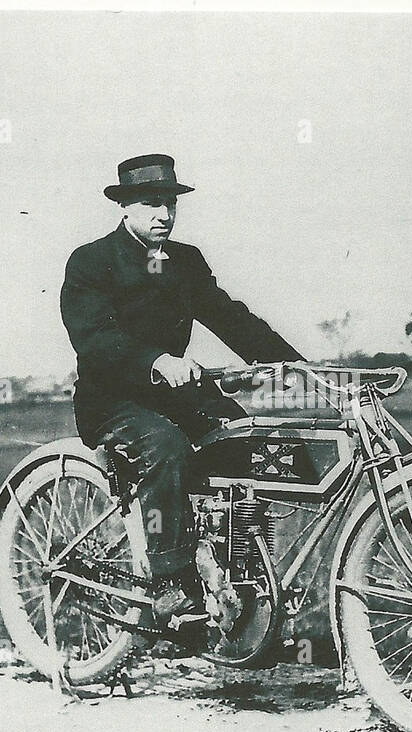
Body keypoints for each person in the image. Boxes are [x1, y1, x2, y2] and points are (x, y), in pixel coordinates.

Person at [60, 154, 303, 638]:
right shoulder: (91, 261)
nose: (164, 215)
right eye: (152, 203)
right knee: (166, 448)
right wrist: (156, 360)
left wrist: (291, 362)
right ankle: (170, 584)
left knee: (245, 440)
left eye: (170, 204)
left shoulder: (185, 262)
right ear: (124, 207)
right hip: (113, 402)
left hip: (177, 395)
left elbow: (229, 316)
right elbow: (94, 336)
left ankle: (241, 575)